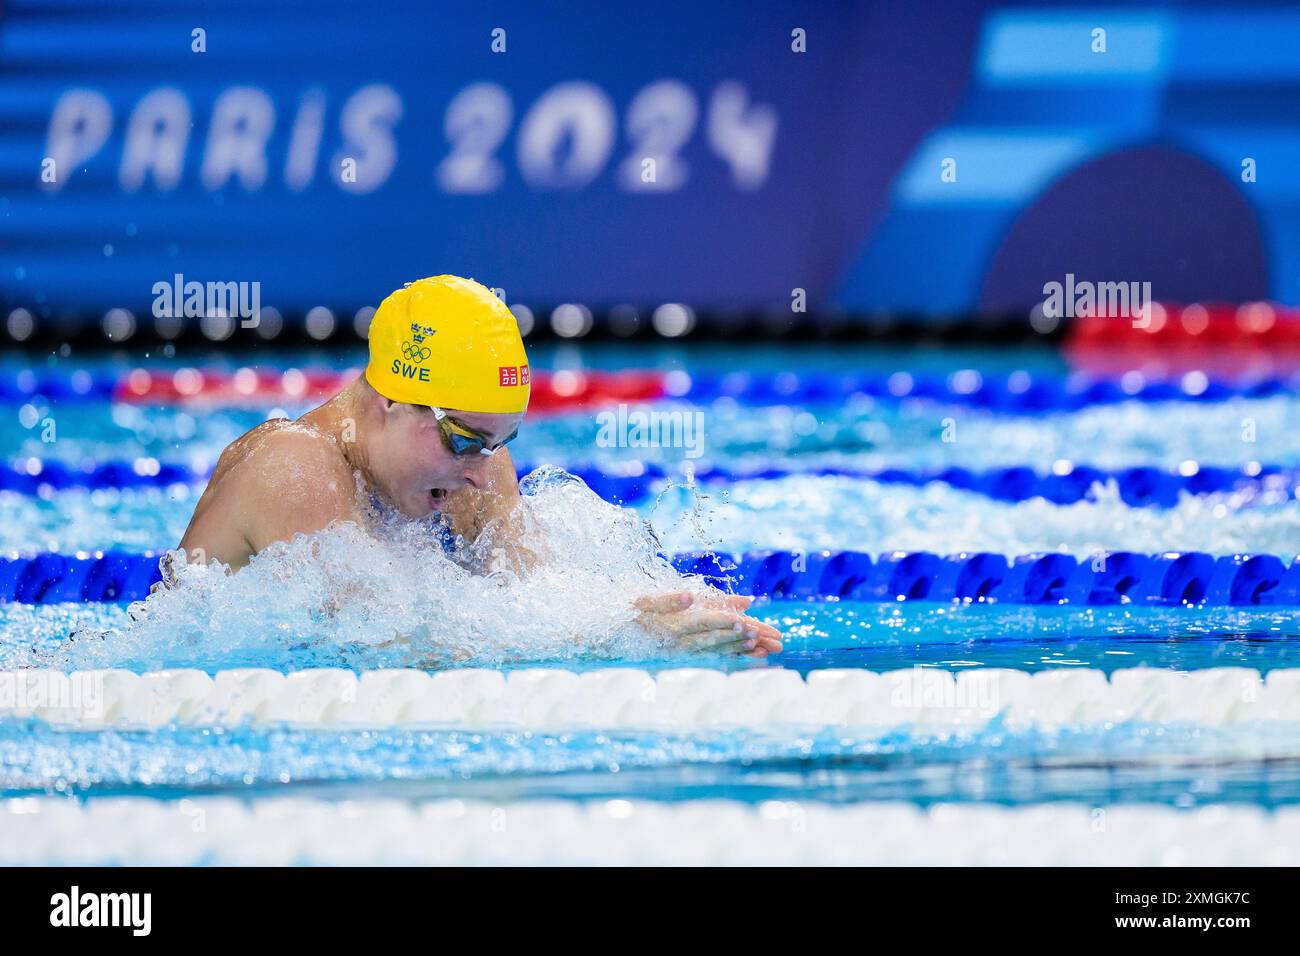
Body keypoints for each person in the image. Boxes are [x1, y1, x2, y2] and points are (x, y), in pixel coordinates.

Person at [173, 275, 782, 657]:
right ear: (389, 404)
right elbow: (386, 646)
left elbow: (531, 592)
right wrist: (615, 635)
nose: (484, 471)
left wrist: (664, 610)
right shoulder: (294, 468)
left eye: (500, 442)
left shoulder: (469, 466)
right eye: (464, 440)